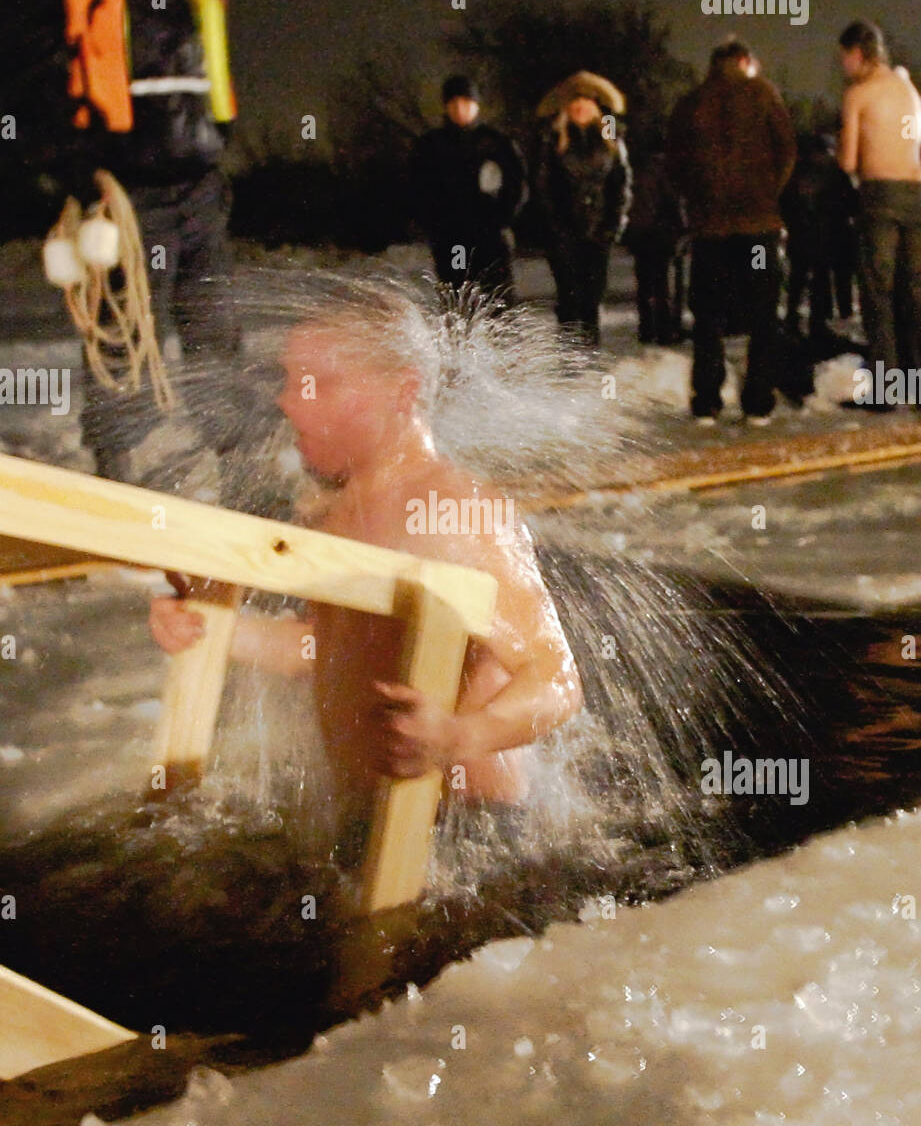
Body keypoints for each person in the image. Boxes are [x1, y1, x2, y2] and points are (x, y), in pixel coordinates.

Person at [149, 278, 584, 839]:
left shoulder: (451, 509)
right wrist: (210, 630)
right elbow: (327, 646)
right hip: (376, 820)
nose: (287, 401)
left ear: (402, 393)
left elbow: (556, 677)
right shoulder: (336, 511)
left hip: (473, 831)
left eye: (320, 385)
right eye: (289, 382)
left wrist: (456, 738)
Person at [0, 0, 239, 482]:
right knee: (126, 336)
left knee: (216, 328)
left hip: (201, 186)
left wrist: (219, 148)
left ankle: (244, 463)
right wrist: (76, 171)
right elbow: (25, 83)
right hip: (126, 193)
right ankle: (119, 473)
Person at [667, 38, 796, 424]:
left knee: (708, 315)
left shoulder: (692, 102)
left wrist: (696, 199)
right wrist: (767, 194)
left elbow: (674, 161)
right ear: (744, 60)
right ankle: (758, 399)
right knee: (762, 313)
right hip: (757, 229)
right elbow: (787, 151)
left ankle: (706, 399)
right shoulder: (764, 94)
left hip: (710, 231)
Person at [837, 20, 921, 397]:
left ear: (857, 53)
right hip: (917, 194)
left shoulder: (859, 93)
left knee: (878, 293)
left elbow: (848, 160)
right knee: (914, 291)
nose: (844, 66)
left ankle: (887, 388)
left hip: (881, 196)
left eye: (844, 58)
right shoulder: (909, 90)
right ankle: (916, 383)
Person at [534, 71, 632, 349]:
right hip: (563, 229)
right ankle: (569, 354)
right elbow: (543, 184)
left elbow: (620, 182)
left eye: (585, 102)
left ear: (595, 105)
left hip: (599, 228)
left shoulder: (610, 135)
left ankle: (590, 351)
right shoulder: (553, 138)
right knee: (568, 295)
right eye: (573, 103)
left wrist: (613, 224)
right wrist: (554, 226)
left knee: (593, 295)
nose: (579, 108)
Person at [409, 75, 526, 302]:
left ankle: (497, 338)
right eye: (454, 103)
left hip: (490, 237)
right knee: (458, 292)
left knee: (497, 296)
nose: (460, 109)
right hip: (452, 239)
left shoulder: (497, 143)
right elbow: (417, 187)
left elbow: (517, 184)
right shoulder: (432, 145)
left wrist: (502, 218)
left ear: (476, 105)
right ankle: (461, 337)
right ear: (446, 106)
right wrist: (433, 223)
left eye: (466, 102)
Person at [781, 130, 859, 351]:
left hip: (802, 237)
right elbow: (852, 203)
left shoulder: (793, 174)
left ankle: (793, 316)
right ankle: (826, 320)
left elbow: (785, 205)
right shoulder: (835, 173)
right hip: (831, 237)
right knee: (823, 279)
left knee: (800, 277)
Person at [621, 125, 685, 345]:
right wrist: (682, 227)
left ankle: (647, 327)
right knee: (663, 284)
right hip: (661, 232)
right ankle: (666, 328)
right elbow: (671, 201)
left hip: (641, 231)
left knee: (644, 282)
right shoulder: (666, 169)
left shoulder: (637, 168)